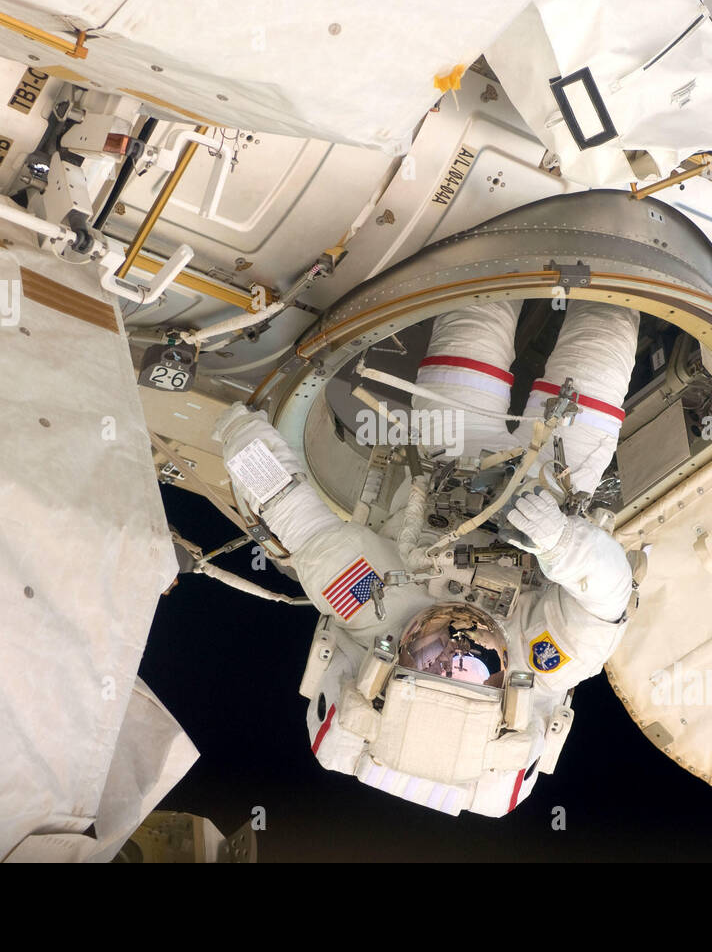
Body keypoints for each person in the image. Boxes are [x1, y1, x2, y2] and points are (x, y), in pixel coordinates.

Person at [214, 299, 641, 816]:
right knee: (606, 331)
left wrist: (237, 435)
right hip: (554, 491)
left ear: (394, 662)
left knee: (481, 307)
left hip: (449, 458)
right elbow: (609, 593)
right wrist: (561, 543)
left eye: (435, 660)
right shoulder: (546, 659)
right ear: (507, 694)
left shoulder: (371, 605)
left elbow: (293, 511)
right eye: (470, 666)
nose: (459, 642)